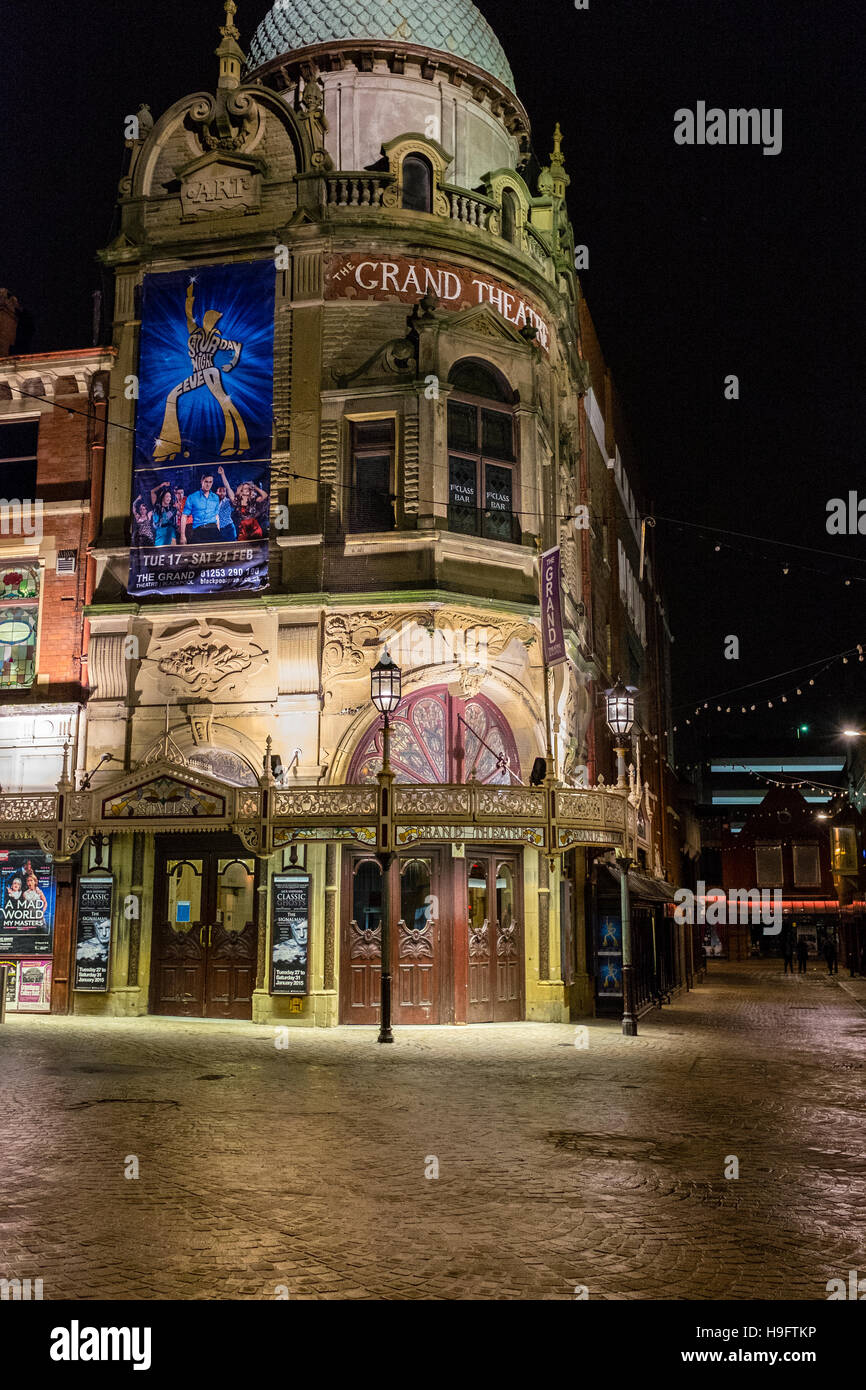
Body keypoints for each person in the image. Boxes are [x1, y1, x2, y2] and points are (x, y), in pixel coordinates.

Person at [153, 280, 249, 461]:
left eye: (209, 319)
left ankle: (238, 442)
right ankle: (168, 447)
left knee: (225, 404)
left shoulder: (216, 339)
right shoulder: (196, 334)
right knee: (171, 396)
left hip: (210, 372)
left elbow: (236, 345)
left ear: (213, 322)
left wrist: (232, 363)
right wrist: (189, 298)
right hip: (198, 374)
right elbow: (189, 317)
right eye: (206, 318)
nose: (206, 320)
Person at [181, 473, 221, 544]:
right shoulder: (192, 497)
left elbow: (216, 515)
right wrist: (182, 536)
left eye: (210, 482)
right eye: (206, 481)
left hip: (213, 529)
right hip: (199, 530)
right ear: (201, 481)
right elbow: (184, 516)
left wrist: (218, 529)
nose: (208, 484)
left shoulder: (215, 497)